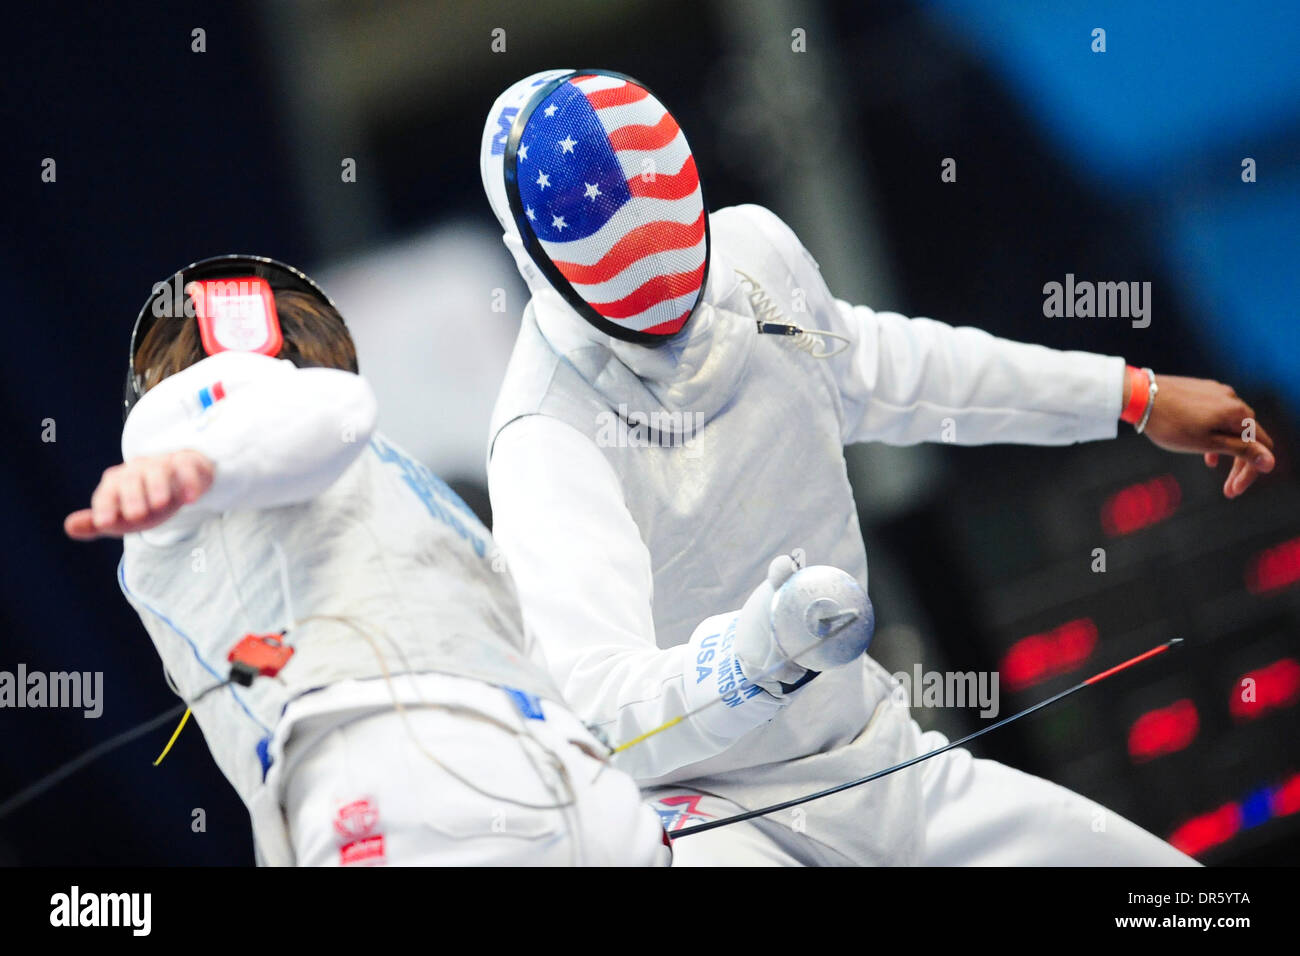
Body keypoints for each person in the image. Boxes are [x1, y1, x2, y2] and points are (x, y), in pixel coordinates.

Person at [478, 70, 1277, 865]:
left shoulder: (756, 263)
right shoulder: (546, 436)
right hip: (715, 828)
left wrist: (1130, 394)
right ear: (536, 260)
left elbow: (904, 370)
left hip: (881, 762)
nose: (666, 296)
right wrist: (749, 658)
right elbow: (601, 717)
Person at [63, 255, 669, 866]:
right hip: (467, 783)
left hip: (495, 774)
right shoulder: (184, 499)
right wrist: (189, 466)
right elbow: (306, 413)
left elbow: (318, 412)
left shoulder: (381, 481)